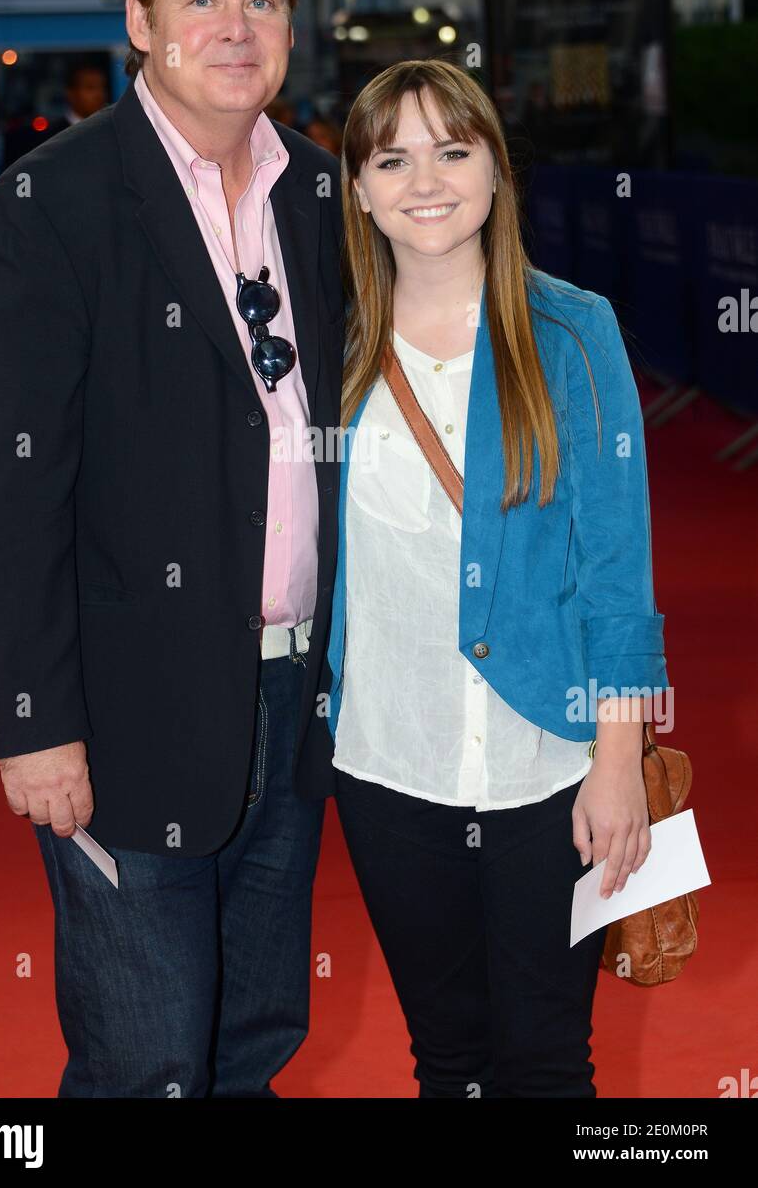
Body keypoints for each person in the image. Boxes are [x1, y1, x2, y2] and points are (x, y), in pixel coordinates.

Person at [0, 0, 345, 1098]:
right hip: (123, 717)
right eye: (203, 0)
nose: (237, 28)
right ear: (138, 20)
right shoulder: (52, 205)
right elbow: (0, 491)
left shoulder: (325, 198)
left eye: (262, 0)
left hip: (299, 697)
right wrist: (30, 722)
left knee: (254, 1041)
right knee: (147, 1056)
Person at [323, 58, 670, 1098]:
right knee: (450, 1060)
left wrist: (618, 762)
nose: (423, 179)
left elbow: (618, 566)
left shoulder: (570, 331)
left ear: (493, 170)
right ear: (357, 188)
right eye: (390, 157)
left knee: (546, 1059)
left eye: (450, 149)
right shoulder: (329, 341)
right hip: (386, 760)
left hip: (545, 764)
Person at [2, 60, 109, 169]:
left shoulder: (111, 135)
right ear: (71, 93)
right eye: (90, 88)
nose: (99, 94)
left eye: (102, 87)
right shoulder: (50, 139)